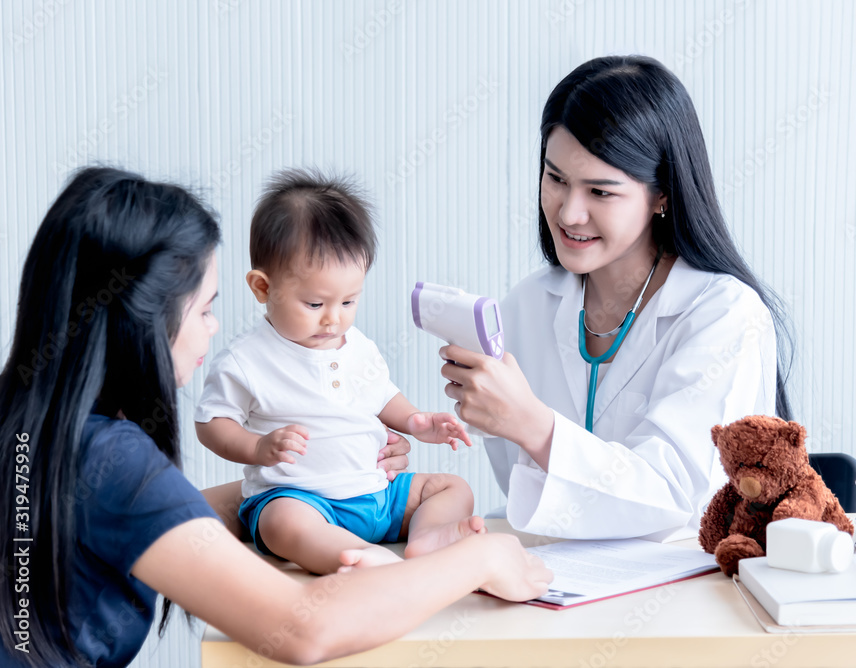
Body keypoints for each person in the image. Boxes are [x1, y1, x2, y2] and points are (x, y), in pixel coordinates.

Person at [0, 167, 551, 668]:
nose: (214, 328)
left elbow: (159, 515)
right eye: (205, 309)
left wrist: (320, 474)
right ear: (138, 318)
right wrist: (482, 559)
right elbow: (302, 630)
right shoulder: (113, 459)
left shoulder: (38, 436)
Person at [439, 55, 793, 542]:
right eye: (556, 178)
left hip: (684, 579)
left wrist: (534, 426)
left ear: (662, 194)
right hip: (547, 570)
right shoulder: (526, 305)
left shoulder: (724, 315)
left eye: (600, 192)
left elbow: (677, 495)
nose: (569, 213)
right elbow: (519, 481)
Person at [195, 169, 486, 574]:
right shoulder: (247, 360)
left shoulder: (358, 346)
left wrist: (416, 421)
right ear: (263, 288)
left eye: (348, 301)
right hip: (304, 499)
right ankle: (351, 555)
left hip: (378, 492)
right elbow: (212, 423)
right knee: (280, 523)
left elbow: (381, 395)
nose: (334, 319)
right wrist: (256, 448)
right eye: (315, 304)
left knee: (452, 487)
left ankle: (427, 537)